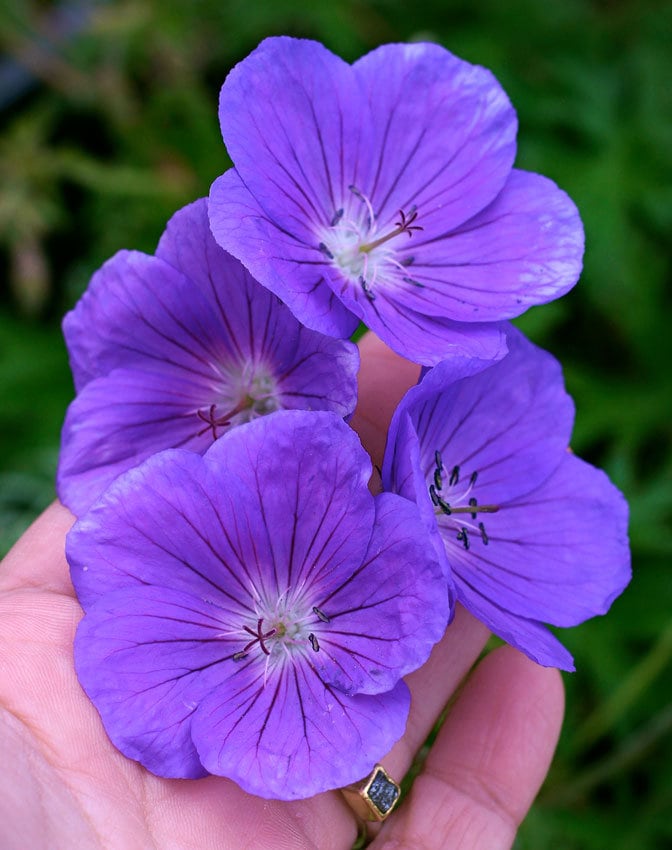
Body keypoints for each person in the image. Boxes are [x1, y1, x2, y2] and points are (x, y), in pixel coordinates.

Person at [0, 334, 564, 849]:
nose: (276, 628)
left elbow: (404, 591)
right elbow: (129, 555)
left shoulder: (401, 569)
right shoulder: (147, 594)